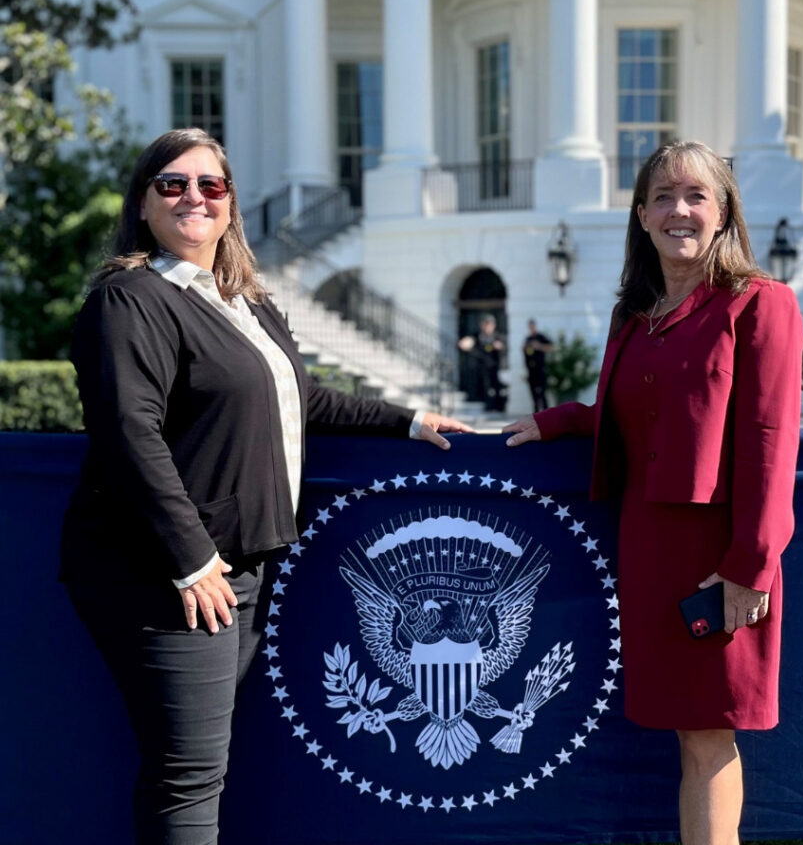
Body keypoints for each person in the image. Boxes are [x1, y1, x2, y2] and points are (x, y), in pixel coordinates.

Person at [59, 128, 472, 845]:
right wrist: (189, 560)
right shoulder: (131, 299)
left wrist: (406, 420)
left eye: (211, 186)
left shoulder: (243, 301)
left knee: (200, 769)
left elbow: (301, 400)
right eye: (173, 184)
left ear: (231, 205)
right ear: (144, 202)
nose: (195, 197)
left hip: (240, 566)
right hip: (169, 576)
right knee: (186, 777)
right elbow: (130, 433)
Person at [504, 141, 803, 845]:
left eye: (697, 195)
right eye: (663, 196)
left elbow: (770, 440)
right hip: (647, 549)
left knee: (708, 736)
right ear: (640, 216)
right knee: (684, 733)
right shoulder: (634, 316)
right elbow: (633, 412)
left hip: (716, 557)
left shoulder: (759, 305)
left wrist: (750, 564)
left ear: (724, 211)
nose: (680, 210)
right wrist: (557, 421)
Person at [458, 312, 506, 412]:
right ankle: (487, 407)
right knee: (484, 388)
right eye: (485, 324)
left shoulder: (497, 336)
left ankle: (498, 407)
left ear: (493, 325)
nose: (487, 327)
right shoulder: (477, 336)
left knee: (496, 388)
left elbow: (504, 346)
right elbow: (466, 342)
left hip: (494, 367)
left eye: (489, 324)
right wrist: (465, 343)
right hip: (481, 368)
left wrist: (499, 346)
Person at [522, 318, 554, 411]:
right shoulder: (528, 339)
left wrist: (539, 346)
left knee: (542, 392)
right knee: (533, 393)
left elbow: (551, 347)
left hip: (540, 369)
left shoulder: (541, 337)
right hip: (531, 370)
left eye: (533, 326)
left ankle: (545, 411)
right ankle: (536, 412)